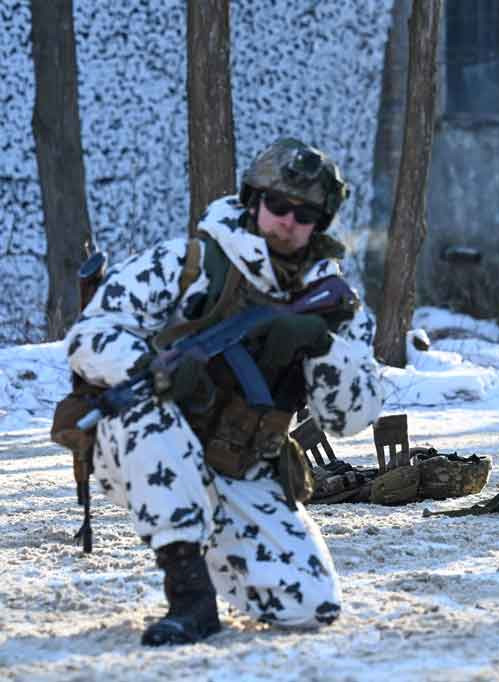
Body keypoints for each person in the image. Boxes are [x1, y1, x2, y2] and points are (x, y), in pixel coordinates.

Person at [64, 138, 383, 645]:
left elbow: (353, 416)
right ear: (254, 201)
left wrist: (322, 346)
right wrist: (148, 366)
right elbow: (89, 335)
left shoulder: (333, 303)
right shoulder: (187, 264)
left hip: (242, 463)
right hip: (152, 450)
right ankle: (189, 598)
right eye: (277, 205)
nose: (286, 221)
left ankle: (216, 557)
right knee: (141, 407)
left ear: (320, 224)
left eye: (303, 214)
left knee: (310, 605)